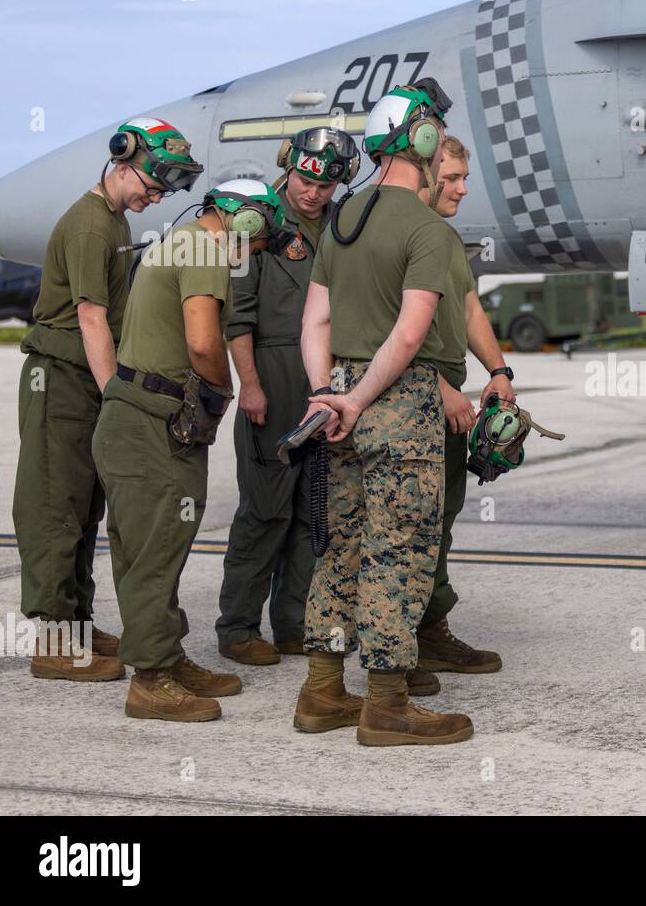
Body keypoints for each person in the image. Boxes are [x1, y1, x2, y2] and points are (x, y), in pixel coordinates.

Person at [293, 81, 473, 745]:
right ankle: (388, 704)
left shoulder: (340, 219)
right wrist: (362, 397)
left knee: (341, 545)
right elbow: (409, 332)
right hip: (394, 401)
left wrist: (327, 394)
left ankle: (321, 691)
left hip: (337, 395)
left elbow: (316, 316)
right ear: (422, 141)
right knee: (398, 549)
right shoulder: (425, 228)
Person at [93, 180, 287, 722]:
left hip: (134, 416)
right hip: (152, 421)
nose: (251, 254)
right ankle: (151, 680)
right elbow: (204, 342)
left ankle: (166, 656)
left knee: (151, 546)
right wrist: (221, 393)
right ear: (244, 222)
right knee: (156, 549)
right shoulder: (205, 250)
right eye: (255, 242)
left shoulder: (177, 240)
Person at [15, 118, 202, 682]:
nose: (158, 194)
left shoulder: (113, 219)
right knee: (56, 506)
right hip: (65, 380)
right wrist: (117, 398)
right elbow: (90, 318)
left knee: (87, 506)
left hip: (85, 379)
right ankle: (53, 637)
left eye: (167, 187)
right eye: (153, 180)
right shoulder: (91, 227)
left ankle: (74, 620)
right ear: (123, 160)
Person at [216, 127, 360, 666]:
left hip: (325, 374)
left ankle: (294, 622)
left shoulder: (339, 225)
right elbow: (236, 315)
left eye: (325, 186)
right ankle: (236, 627)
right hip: (274, 373)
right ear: (288, 166)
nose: (313, 194)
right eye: (305, 180)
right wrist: (250, 385)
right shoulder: (252, 221)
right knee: (265, 509)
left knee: (310, 507)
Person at [406, 134, 508, 694]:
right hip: (406, 397)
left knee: (439, 523)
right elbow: (382, 326)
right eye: (451, 179)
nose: (463, 190)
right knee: (405, 529)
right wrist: (440, 385)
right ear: (422, 173)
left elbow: (467, 305)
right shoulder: (396, 233)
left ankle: (429, 630)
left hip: (445, 401)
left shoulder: (442, 238)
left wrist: (499, 371)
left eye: (464, 178)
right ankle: (392, 653)